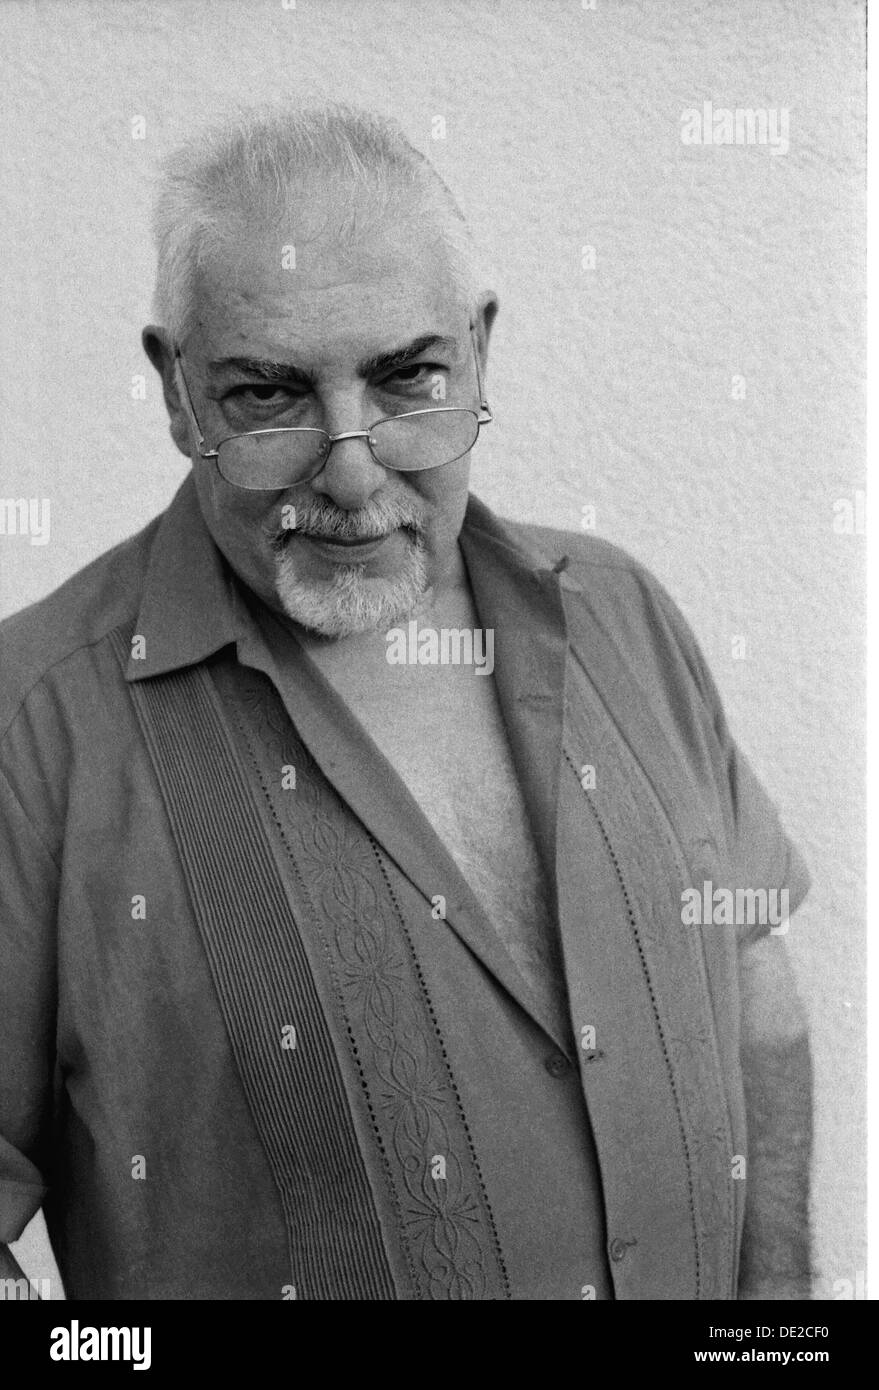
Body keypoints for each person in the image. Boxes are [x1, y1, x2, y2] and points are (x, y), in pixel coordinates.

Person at [0, 103, 812, 1301]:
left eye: (405, 376)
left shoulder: (621, 612)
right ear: (177, 394)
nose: (351, 465)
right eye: (268, 396)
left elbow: (751, 985)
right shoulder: (33, 729)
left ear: (479, 350)